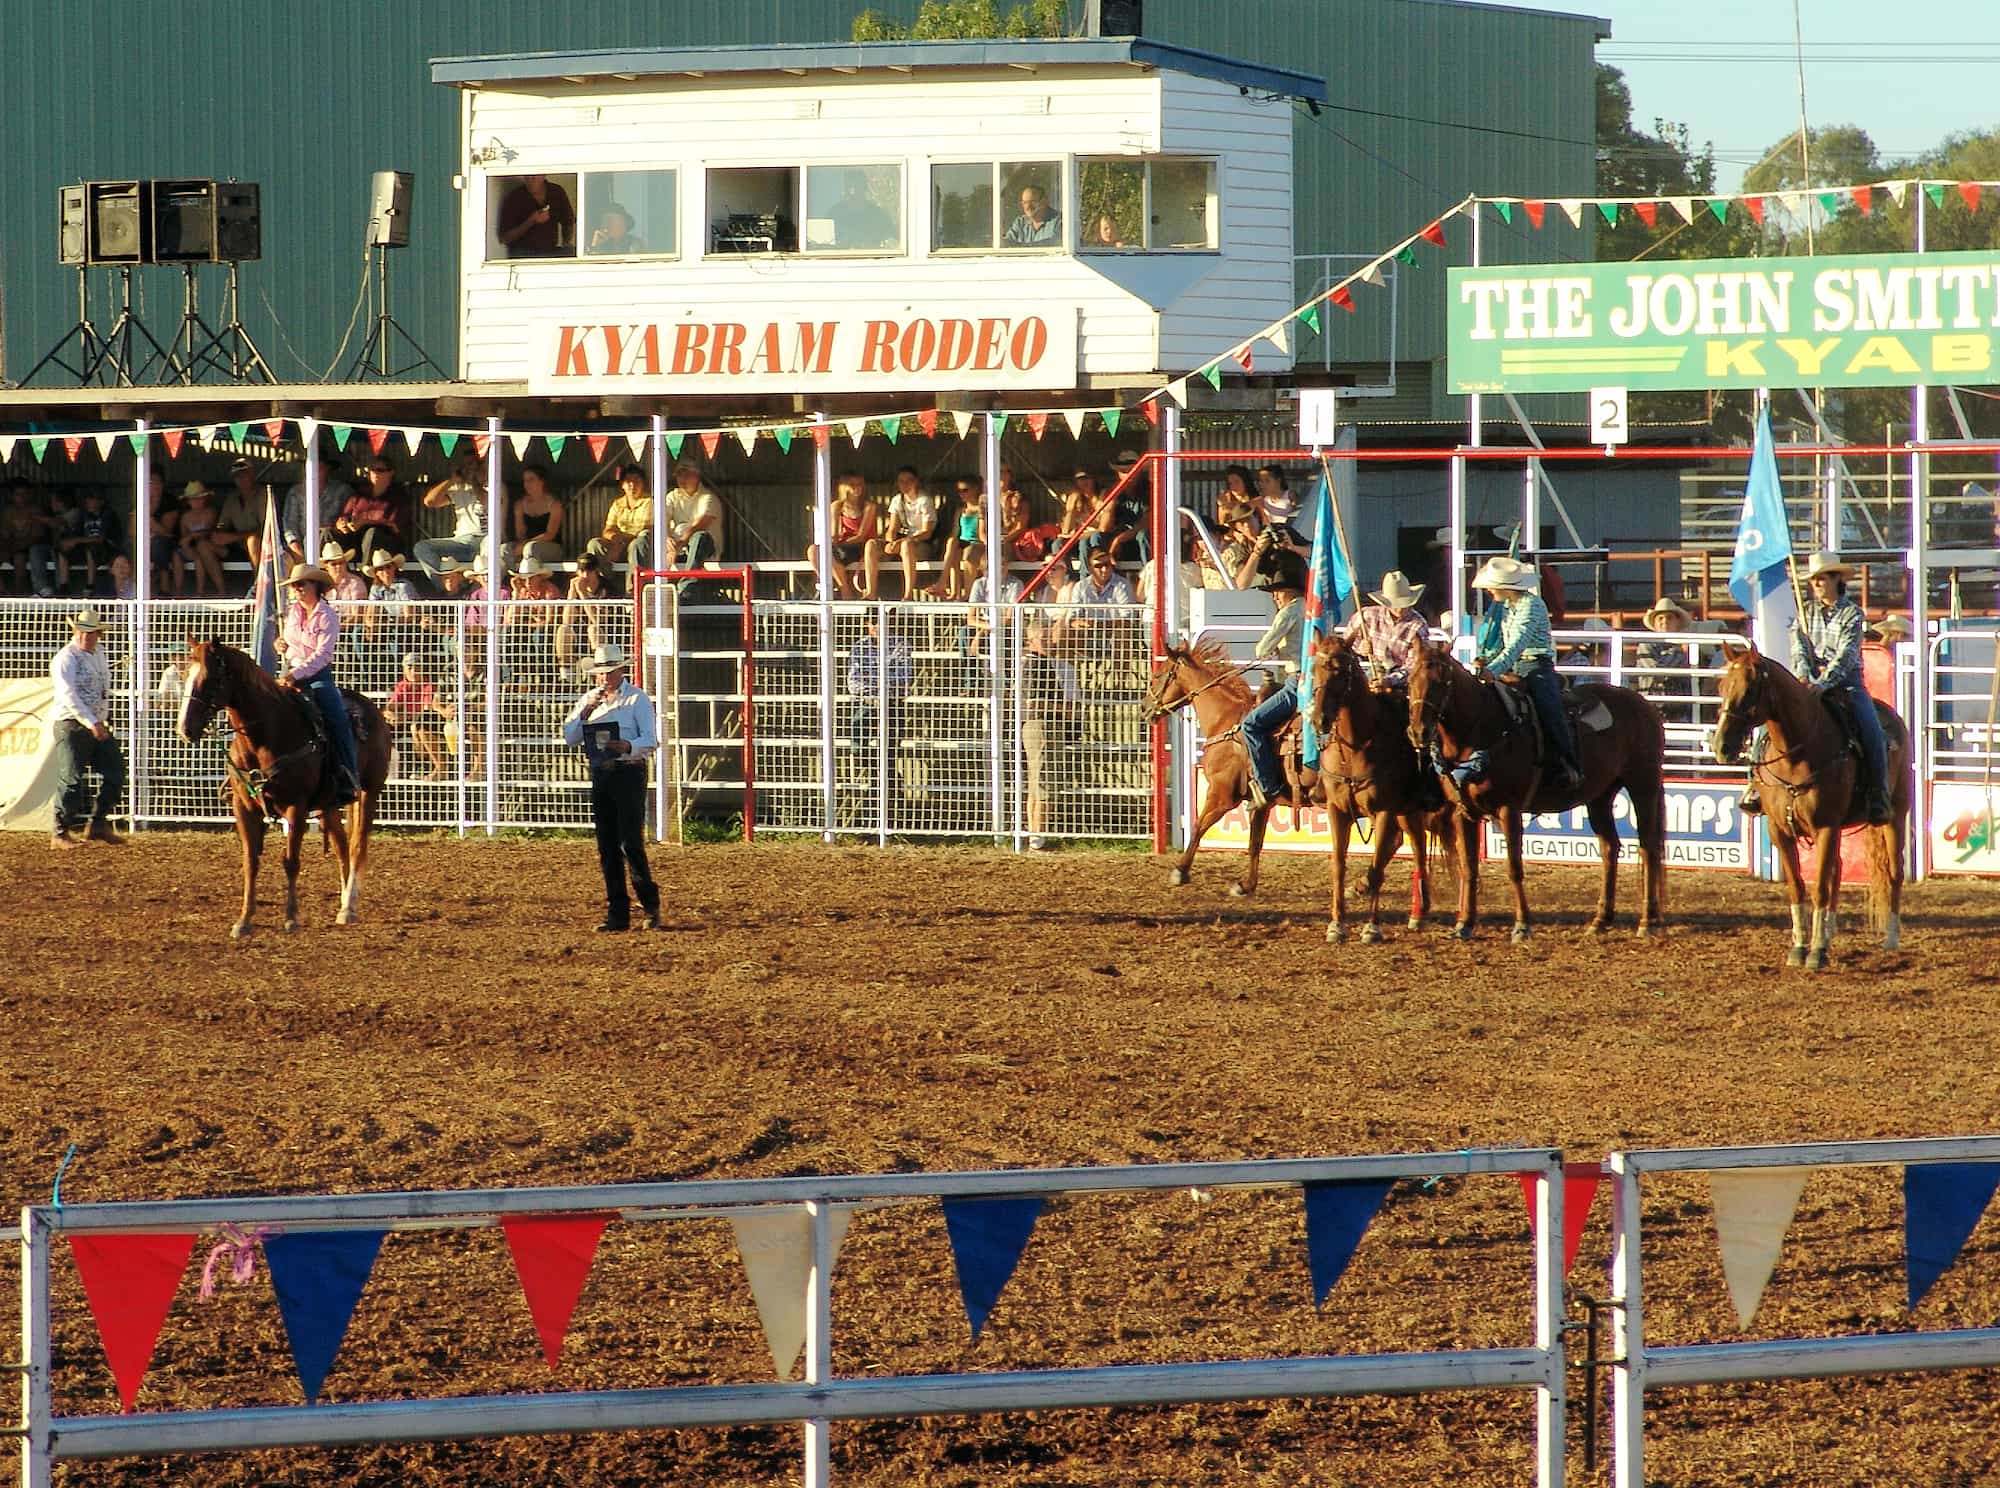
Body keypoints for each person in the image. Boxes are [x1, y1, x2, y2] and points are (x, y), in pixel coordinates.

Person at [1775, 550, 1891, 825]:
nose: (1816, 583)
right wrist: (1805, 678)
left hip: (1846, 686)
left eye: (1822, 578)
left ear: (1837, 579)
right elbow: (1799, 650)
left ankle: (1878, 793)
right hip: (1807, 684)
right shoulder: (1804, 613)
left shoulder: (1852, 614)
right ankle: (1756, 784)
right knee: (1769, 722)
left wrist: (1821, 684)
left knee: (1872, 730)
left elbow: (1846, 656)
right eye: (1814, 579)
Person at [562, 644, 661, 931]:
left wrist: (628, 746)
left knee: (630, 842)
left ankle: (648, 903)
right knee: (607, 846)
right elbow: (570, 737)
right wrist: (585, 713)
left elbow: (650, 740)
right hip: (603, 773)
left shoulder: (637, 700)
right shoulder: (589, 701)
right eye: (600, 673)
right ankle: (618, 913)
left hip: (629, 772)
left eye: (609, 672)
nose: (604, 678)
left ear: (621, 671)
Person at [1470, 554, 1580, 791]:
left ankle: (1567, 763)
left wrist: (1492, 670)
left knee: (1550, 710)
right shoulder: (1509, 606)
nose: (1489, 590)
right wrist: (1487, 660)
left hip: (1536, 666)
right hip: (1513, 666)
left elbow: (1517, 644)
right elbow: (1504, 644)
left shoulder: (1532, 605)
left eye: (1492, 586)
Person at [279, 561, 361, 807]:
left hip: (317, 677)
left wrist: (296, 673)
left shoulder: (327, 615)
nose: (296, 589)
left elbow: (323, 655)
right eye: (294, 585)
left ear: (315, 586)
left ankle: (348, 774)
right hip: (290, 671)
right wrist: (280, 645)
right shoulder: (293, 612)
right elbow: (288, 641)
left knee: (337, 718)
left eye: (301, 584)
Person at [48, 608, 127, 849]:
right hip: (72, 725)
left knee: (115, 772)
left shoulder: (98, 653)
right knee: (71, 780)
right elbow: (69, 696)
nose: (87, 636)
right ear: (76, 631)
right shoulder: (65, 658)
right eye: (83, 631)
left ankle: (97, 824)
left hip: (95, 723)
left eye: (91, 633)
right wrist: (93, 721)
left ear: (98, 634)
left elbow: (101, 690)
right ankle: (60, 832)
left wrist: (100, 719)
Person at [1238, 552, 1310, 811]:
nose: (1274, 596)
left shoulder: (1290, 612)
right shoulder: (1310, 609)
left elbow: (1262, 648)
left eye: (1278, 591)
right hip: (1313, 678)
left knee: (1251, 724)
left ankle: (1268, 786)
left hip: (1296, 682)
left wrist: (1272, 649)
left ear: (1289, 591)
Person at [1340, 570, 1430, 682]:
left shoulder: (1418, 625)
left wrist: (1390, 681)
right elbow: (1343, 647)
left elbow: (1414, 664)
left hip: (1402, 680)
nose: (1400, 608)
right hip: (1371, 673)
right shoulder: (1366, 616)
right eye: (1395, 604)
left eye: (1404, 604)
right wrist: (1360, 648)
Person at [416, 449, 488, 580]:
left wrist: (473, 481)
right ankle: (443, 588)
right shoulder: (459, 489)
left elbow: (486, 501)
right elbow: (429, 501)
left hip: (484, 540)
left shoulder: (493, 486)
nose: (467, 469)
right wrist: (452, 480)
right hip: (462, 543)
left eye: (471, 464)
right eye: (464, 465)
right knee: (421, 548)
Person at [808, 474, 880, 599]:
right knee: (813, 550)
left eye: (860, 485)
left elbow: (861, 536)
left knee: (835, 552)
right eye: (852, 485)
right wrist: (834, 540)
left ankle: (868, 593)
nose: (857, 488)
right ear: (843, 487)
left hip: (862, 546)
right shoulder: (837, 506)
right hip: (844, 546)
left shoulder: (869, 507)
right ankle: (840, 587)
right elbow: (834, 534)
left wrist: (839, 543)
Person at [585, 463, 655, 587]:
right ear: (622, 485)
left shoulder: (649, 502)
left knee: (637, 543)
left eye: (636, 481)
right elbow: (608, 530)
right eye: (628, 481)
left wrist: (621, 542)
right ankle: (603, 585)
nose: (632, 485)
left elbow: (647, 530)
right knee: (594, 544)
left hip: (639, 546)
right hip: (618, 545)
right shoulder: (618, 504)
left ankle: (632, 589)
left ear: (643, 483)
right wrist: (616, 541)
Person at [332, 456, 407, 569]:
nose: (375, 473)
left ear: (391, 473)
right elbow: (345, 515)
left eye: (380, 470)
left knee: (372, 533)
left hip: (384, 544)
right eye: (372, 470)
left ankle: (367, 577)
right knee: (327, 532)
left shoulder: (398, 496)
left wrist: (365, 522)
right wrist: (341, 524)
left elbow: (394, 526)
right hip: (356, 539)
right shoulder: (359, 495)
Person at [879, 465, 940, 601]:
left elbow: (927, 532)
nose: (905, 484)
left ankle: (908, 594)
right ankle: (871, 592)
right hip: (902, 541)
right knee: (872, 545)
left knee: (906, 545)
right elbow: (892, 528)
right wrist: (891, 542)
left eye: (909, 480)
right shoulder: (897, 500)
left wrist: (904, 541)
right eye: (901, 481)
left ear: (916, 481)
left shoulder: (924, 500)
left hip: (922, 544)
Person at [384, 653, 447, 781]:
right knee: (383, 726)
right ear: (404, 669)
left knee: (419, 726)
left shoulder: (428, 685)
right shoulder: (402, 685)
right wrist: (390, 714)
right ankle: (386, 769)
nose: (414, 671)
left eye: (417, 667)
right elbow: (391, 706)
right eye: (410, 667)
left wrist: (404, 717)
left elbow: (427, 709)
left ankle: (431, 766)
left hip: (426, 721)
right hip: (406, 722)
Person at [1633, 597, 1698, 719]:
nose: (1665, 621)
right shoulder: (1646, 644)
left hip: (1681, 711)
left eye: (1669, 617)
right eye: (1660, 618)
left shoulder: (1688, 645)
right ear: (1655, 623)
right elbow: (1656, 671)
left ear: (1677, 622)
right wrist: (1680, 653)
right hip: (1652, 709)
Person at [661, 459, 723, 572]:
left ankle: (689, 581)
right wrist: (666, 538)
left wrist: (679, 544)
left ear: (697, 476)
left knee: (699, 537)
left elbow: (698, 526)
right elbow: (662, 520)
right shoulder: (672, 496)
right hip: (677, 550)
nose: (682, 479)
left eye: (686, 475)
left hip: (705, 552)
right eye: (679, 475)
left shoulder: (708, 498)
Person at [963, 541, 1023, 657]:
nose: (1001, 567)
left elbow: (1009, 619)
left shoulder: (1016, 584)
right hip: (986, 625)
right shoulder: (979, 584)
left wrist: (981, 632)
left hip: (1006, 628)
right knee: (964, 633)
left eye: (1004, 563)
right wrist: (984, 629)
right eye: (997, 563)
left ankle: (1005, 673)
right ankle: (971, 672)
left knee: (1005, 635)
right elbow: (970, 618)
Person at [932, 474, 985, 602]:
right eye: (959, 491)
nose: (962, 494)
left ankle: (967, 593)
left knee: (968, 554)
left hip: (977, 542)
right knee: (952, 543)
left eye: (965, 490)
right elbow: (956, 531)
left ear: (975, 489)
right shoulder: (961, 510)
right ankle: (947, 586)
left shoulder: (981, 509)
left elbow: (982, 533)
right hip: (963, 541)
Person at [503, 462, 566, 570]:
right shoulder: (520, 504)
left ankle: (530, 580)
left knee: (530, 548)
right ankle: (508, 580)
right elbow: (520, 533)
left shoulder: (554, 504)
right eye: (525, 481)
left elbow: (550, 534)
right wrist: (521, 543)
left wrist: (527, 543)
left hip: (550, 546)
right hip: (526, 544)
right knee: (504, 549)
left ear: (542, 482)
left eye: (531, 480)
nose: (527, 484)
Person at [497, 174, 576, 258]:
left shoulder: (556, 191)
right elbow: (504, 238)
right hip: (523, 252)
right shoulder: (514, 197)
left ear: (544, 175)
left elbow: (568, 221)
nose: (532, 178)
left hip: (551, 250)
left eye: (536, 175)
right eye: (529, 175)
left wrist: (566, 242)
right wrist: (530, 221)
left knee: (573, 252)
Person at [1, 479, 58, 596]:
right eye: (18, 494)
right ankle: (3, 592)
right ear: (12, 496)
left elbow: (37, 536)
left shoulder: (35, 510)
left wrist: (18, 546)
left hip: (29, 548)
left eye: (24, 494)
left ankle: (18, 594)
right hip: (11, 546)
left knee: (19, 559)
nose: (21, 498)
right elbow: (5, 534)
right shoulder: (8, 512)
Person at [60, 489, 120, 594]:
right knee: (63, 549)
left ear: (101, 501)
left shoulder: (108, 514)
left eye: (92, 499)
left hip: (106, 551)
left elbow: (100, 538)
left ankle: (90, 586)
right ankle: (64, 586)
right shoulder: (84, 515)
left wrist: (77, 540)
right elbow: (76, 535)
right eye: (88, 499)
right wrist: (70, 541)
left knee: (90, 548)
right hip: (86, 549)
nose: (89, 501)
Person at [825, 170, 897, 250]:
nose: (853, 191)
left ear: (864, 188)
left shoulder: (878, 215)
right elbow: (825, 242)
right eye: (849, 187)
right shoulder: (835, 214)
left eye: (857, 186)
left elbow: (892, 241)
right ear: (845, 190)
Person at [147, 467, 182, 597]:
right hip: (146, 540)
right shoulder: (140, 500)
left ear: (162, 484)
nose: (153, 485)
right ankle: (131, 589)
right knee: (131, 545)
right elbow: (132, 530)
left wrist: (148, 518)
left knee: (159, 543)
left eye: (156, 482)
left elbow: (166, 531)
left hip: (169, 541)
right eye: (150, 482)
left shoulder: (170, 502)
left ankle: (164, 588)